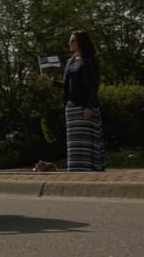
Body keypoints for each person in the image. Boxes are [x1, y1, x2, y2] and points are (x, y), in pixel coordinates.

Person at [42, 30, 104, 172]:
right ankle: (77, 169)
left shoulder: (90, 60)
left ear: (80, 42)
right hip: (71, 107)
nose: (69, 43)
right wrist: (52, 83)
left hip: (85, 105)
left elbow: (94, 85)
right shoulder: (71, 61)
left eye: (72, 41)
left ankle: (91, 169)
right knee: (75, 142)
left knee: (87, 140)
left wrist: (90, 106)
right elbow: (67, 84)